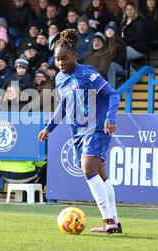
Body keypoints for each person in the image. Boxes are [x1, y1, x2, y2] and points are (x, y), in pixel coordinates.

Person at [37, 29, 122, 233]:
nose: (60, 63)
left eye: (65, 58)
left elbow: (113, 95)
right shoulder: (59, 78)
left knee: (88, 170)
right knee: (100, 174)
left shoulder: (87, 73)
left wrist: (110, 118)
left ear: (75, 55)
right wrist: (49, 128)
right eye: (57, 59)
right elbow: (65, 105)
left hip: (97, 127)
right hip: (78, 131)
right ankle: (115, 222)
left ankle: (108, 221)